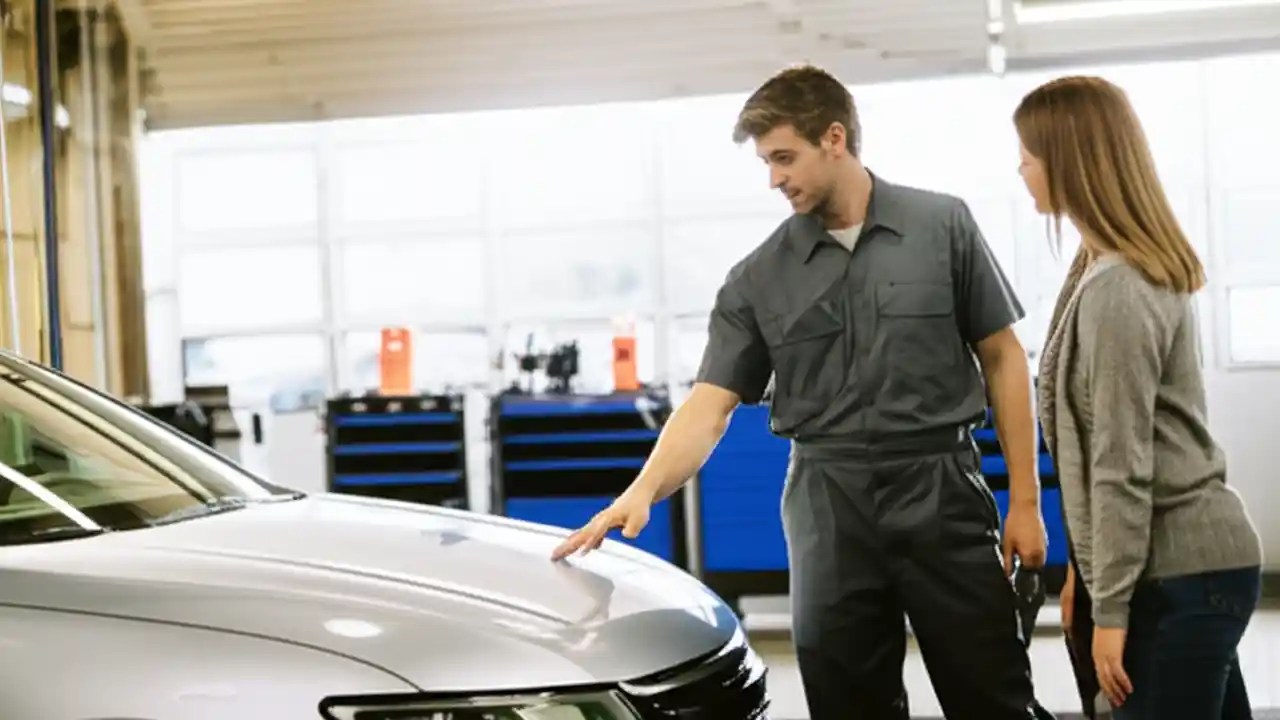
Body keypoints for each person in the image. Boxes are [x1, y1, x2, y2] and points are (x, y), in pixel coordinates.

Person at [552, 64, 1055, 720]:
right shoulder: (757, 277)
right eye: (765, 161)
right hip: (828, 502)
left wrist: (1026, 501)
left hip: (942, 490)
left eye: (784, 158)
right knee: (846, 700)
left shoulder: (943, 227)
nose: (774, 178)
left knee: (992, 693)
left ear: (835, 139)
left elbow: (1003, 357)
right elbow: (711, 403)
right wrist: (641, 491)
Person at [1018, 75, 1264, 719]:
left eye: (1030, 154)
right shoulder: (1096, 268)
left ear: (1071, 162)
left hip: (1182, 571)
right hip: (1182, 569)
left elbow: (1120, 463)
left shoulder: (1117, 287)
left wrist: (1110, 611)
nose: (1020, 168)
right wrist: (1084, 576)